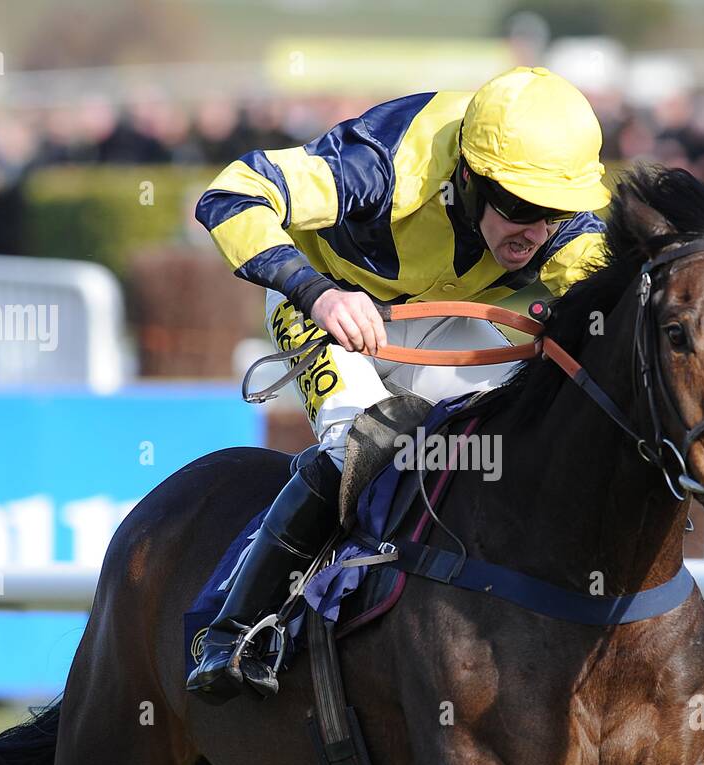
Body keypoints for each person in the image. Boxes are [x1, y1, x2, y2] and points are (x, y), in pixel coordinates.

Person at [186, 66, 611, 702]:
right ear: (467, 177)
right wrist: (317, 292)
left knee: (506, 433)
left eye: (553, 213)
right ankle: (232, 631)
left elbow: (609, 298)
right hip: (325, 307)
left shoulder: (559, 221)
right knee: (361, 442)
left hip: (436, 317)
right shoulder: (384, 162)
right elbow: (230, 194)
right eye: (520, 208)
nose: (536, 233)